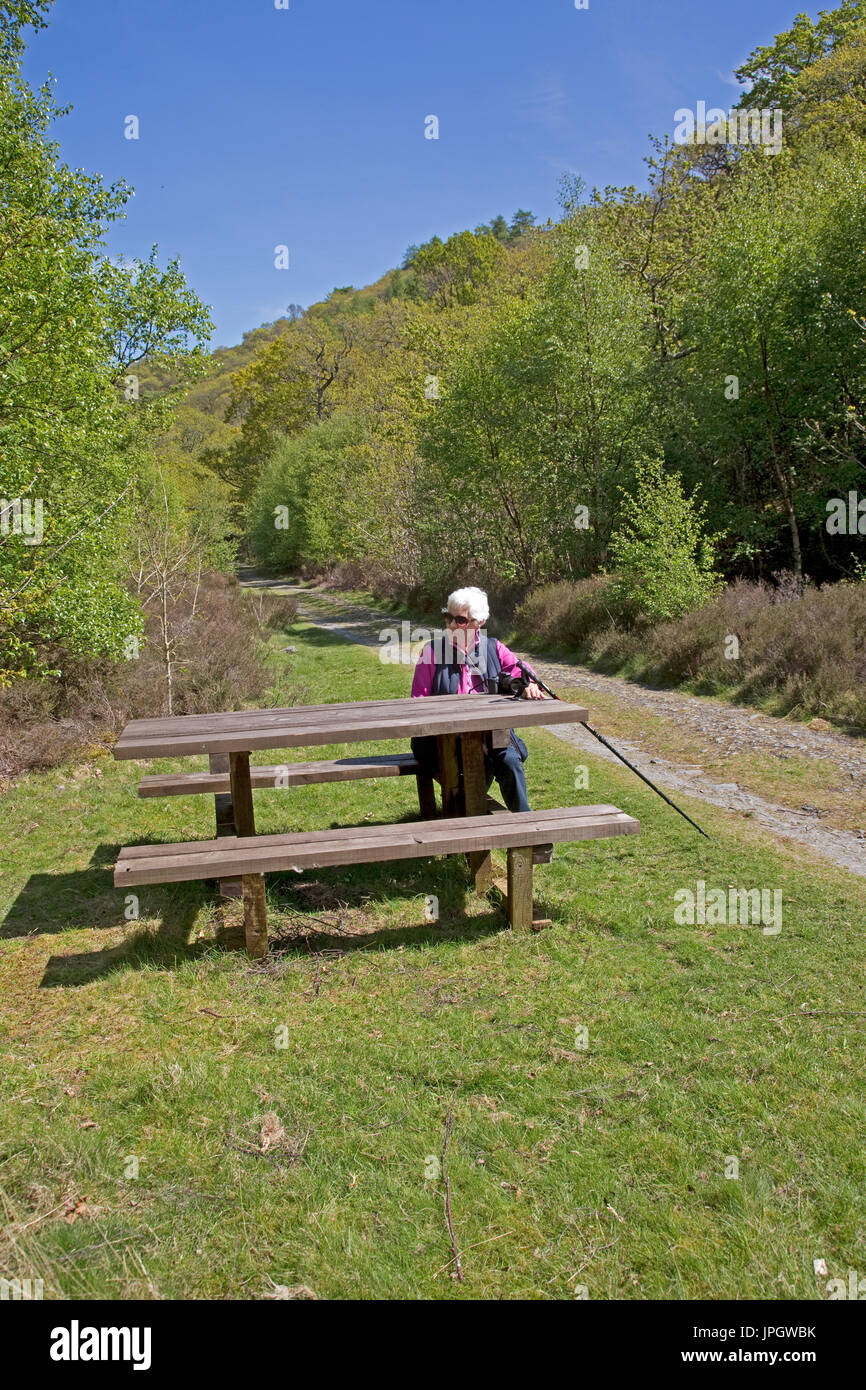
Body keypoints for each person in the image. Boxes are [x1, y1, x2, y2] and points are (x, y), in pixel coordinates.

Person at [409, 586, 545, 813]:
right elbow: (418, 704)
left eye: (460, 620)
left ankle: (528, 831)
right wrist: (466, 735)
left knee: (509, 761)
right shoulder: (431, 652)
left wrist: (530, 684)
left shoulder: (494, 648)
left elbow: (525, 673)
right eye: (448, 617)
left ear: (478, 622)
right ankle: (466, 818)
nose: (452, 624)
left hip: (492, 736)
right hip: (442, 741)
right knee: (480, 760)